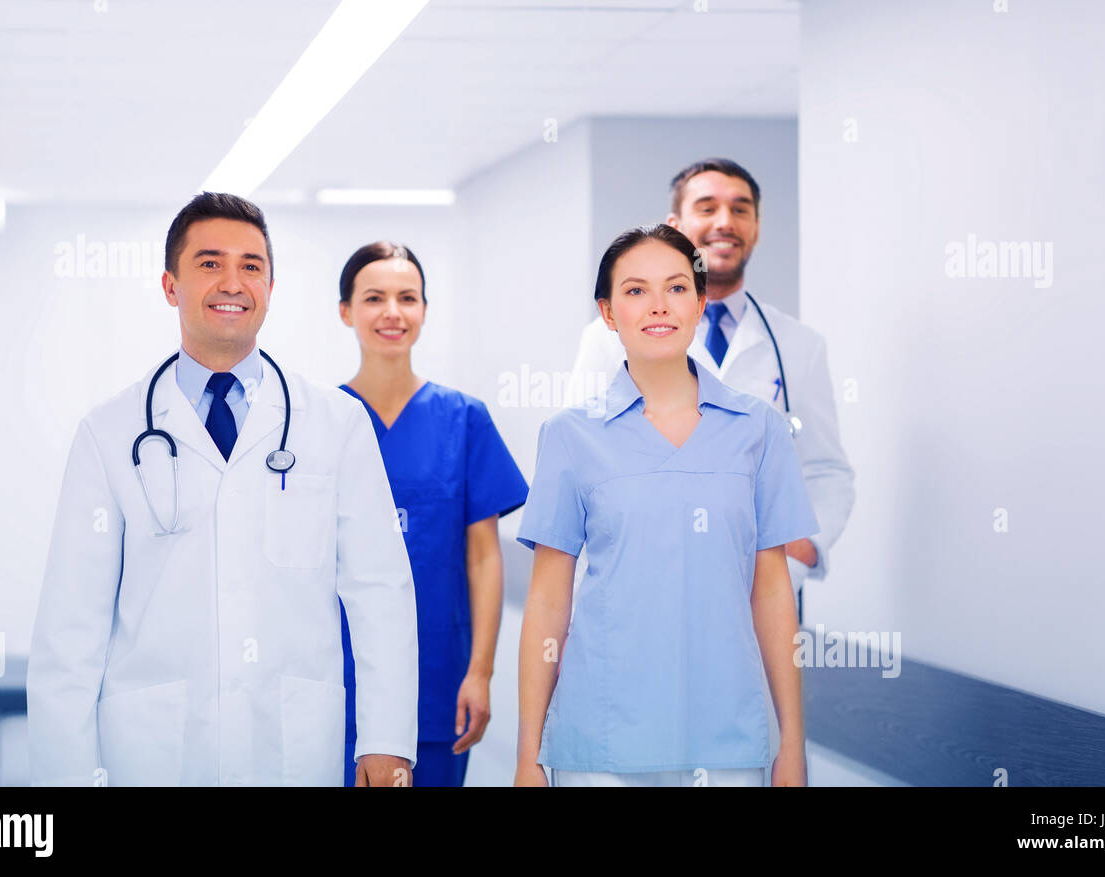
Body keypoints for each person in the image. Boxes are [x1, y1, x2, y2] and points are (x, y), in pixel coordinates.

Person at [27, 193, 418, 787]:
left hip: (291, 744)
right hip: (151, 750)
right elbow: (69, 630)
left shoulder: (336, 423)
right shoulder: (109, 433)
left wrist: (387, 740)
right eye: (209, 263)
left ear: (270, 284)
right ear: (170, 285)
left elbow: (380, 590)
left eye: (251, 265)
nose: (232, 281)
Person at [515, 224, 819, 787]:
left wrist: (792, 745)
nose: (658, 305)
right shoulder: (569, 435)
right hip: (600, 737)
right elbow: (547, 600)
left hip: (727, 738)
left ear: (700, 304)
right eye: (635, 291)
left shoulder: (759, 429)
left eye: (677, 288)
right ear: (608, 314)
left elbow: (772, 590)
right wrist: (528, 757)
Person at [570, 158, 854, 618]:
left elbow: (826, 470)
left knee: (769, 691)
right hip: (641, 591)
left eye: (741, 209)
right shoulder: (606, 338)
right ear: (675, 226)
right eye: (707, 208)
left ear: (757, 227)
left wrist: (803, 549)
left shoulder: (799, 345)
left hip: (762, 595)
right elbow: (581, 471)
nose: (726, 222)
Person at [336, 242, 528, 787]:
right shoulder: (322, 422)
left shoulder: (463, 419)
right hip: (340, 679)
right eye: (374, 298)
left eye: (407, 298)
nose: (392, 312)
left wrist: (481, 672)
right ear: (346, 311)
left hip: (439, 677)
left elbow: (485, 559)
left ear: (423, 310)